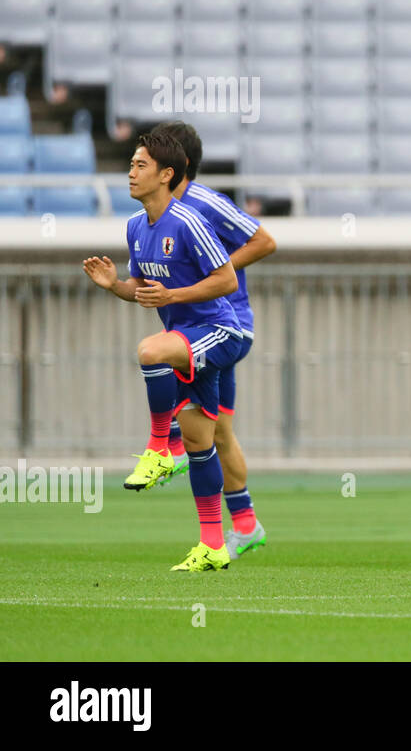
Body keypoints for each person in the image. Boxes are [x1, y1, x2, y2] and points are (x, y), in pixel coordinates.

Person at [82, 132, 242, 571]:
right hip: (186, 339)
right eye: (131, 165)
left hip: (217, 330)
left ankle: (158, 447)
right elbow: (143, 289)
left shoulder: (187, 221)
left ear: (166, 174)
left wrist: (175, 296)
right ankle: (213, 545)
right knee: (199, 443)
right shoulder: (136, 226)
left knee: (150, 350)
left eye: (140, 165)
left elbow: (227, 280)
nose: (131, 173)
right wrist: (115, 286)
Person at [150, 121, 277, 559]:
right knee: (220, 430)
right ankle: (245, 524)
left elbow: (264, 240)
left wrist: (216, 269)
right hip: (198, 325)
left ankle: (165, 446)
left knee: (186, 407)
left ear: (176, 166)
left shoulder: (204, 203)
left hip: (224, 325)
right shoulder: (161, 215)